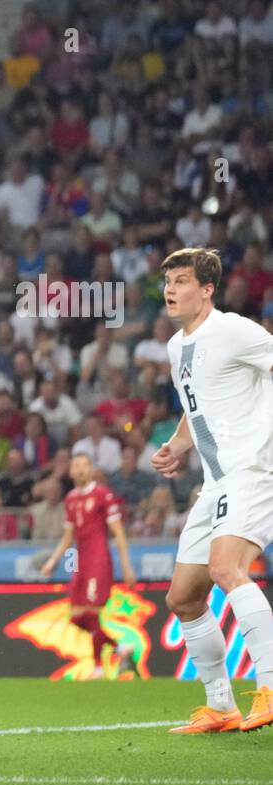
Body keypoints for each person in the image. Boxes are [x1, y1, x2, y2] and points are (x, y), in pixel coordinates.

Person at [152, 248, 273, 733]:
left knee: (227, 568)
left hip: (251, 469)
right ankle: (221, 705)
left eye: (181, 281)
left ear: (207, 290)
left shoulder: (235, 330)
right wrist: (179, 446)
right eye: (167, 281)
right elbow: (196, 405)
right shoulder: (177, 346)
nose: (170, 290)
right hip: (215, 479)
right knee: (183, 598)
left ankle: (269, 686)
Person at [40, 452, 136, 678]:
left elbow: (118, 533)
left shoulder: (102, 495)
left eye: (84, 465)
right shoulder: (71, 499)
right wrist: (53, 561)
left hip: (98, 558)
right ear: (71, 471)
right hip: (78, 561)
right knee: (75, 616)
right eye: (76, 465)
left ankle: (98, 668)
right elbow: (68, 537)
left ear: (92, 469)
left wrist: (126, 565)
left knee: (92, 612)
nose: (80, 469)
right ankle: (120, 648)